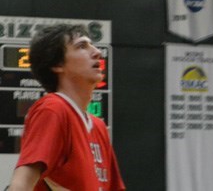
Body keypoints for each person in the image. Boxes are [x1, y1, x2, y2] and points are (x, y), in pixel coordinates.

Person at [9, 24, 126, 191]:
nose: (97, 52)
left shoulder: (98, 127)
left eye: (92, 45)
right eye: (81, 46)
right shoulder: (53, 109)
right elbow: (22, 183)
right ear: (57, 64)